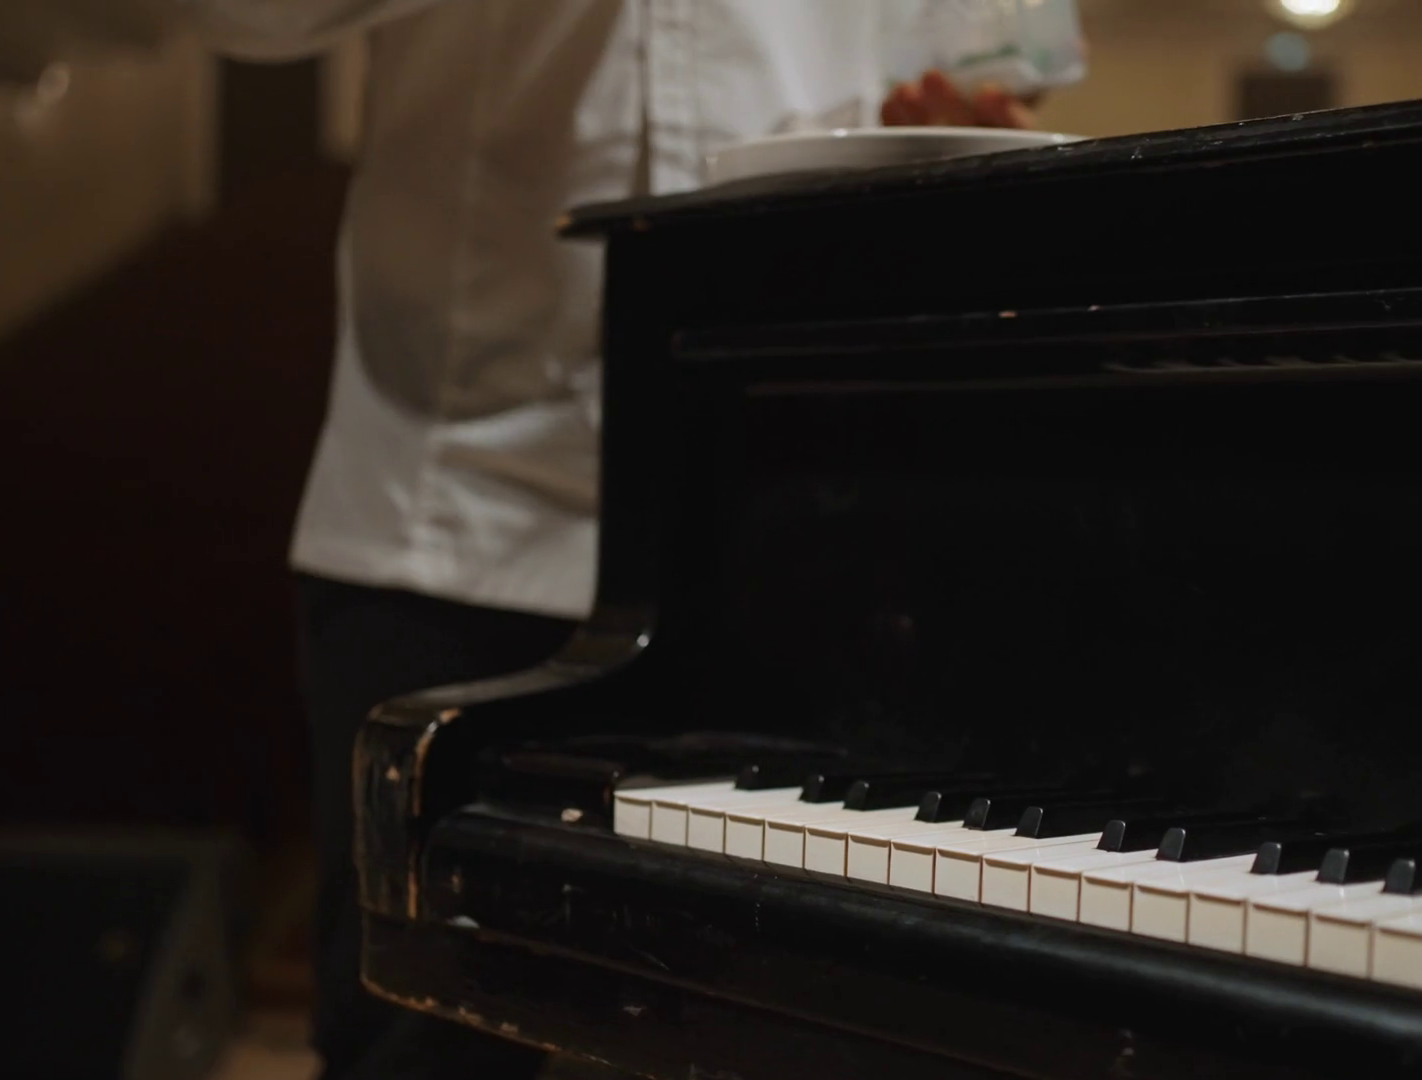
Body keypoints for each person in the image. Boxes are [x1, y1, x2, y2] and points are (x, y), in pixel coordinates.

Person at [178, 2, 1042, 1077]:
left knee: (801, 1010)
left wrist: (958, 103)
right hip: (456, 495)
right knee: (414, 1039)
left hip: (789, 488)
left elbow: (995, 50)